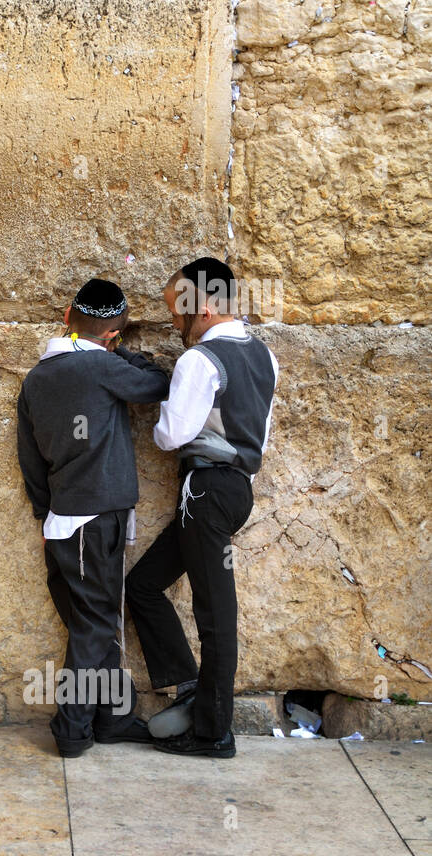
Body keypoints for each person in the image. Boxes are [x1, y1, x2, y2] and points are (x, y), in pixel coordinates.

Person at [125, 258, 279, 758]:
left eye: (177, 313)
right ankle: (191, 688)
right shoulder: (264, 357)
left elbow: (171, 435)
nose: (174, 324)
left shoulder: (200, 361)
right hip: (233, 492)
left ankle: (214, 732)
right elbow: (258, 435)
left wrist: (159, 410)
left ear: (205, 308)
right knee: (142, 585)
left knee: (215, 615)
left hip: (205, 493)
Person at [17, 279, 171, 757]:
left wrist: (45, 517)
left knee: (94, 622)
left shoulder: (37, 378)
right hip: (94, 517)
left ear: (67, 315)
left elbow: (29, 459)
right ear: (114, 334)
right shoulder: (104, 365)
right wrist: (122, 353)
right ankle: (71, 730)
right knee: (95, 626)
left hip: (64, 520)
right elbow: (161, 385)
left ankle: (113, 716)